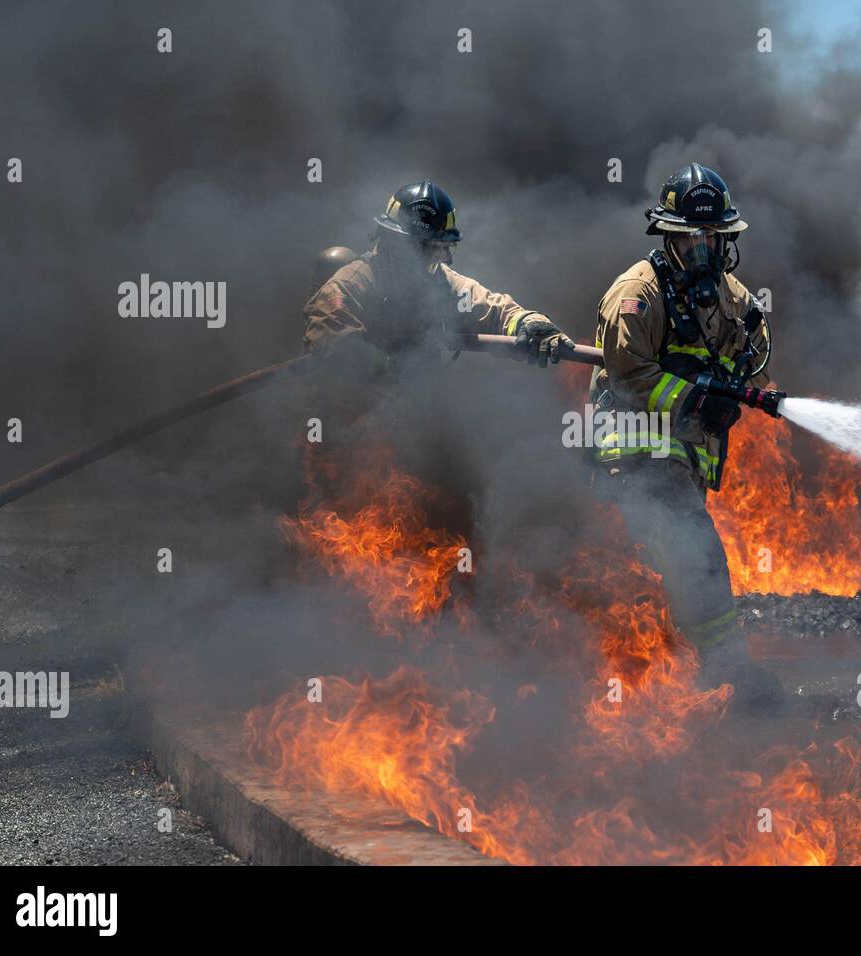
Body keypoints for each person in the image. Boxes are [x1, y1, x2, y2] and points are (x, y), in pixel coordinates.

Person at [589, 163, 783, 711]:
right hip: (631, 445)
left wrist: (743, 385)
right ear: (668, 237)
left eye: (712, 238)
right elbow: (628, 374)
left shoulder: (735, 299)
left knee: (659, 564)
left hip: (685, 453)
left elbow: (757, 363)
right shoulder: (637, 295)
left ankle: (667, 680)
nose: (702, 250)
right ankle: (728, 672)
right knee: (696, 551)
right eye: (689, 239)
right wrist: (700, 398)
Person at [304, 181, 572, 369]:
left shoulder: (440, 283)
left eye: (447, 247)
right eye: (435, 248)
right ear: (402, 245)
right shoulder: (350, 286)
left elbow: (492, 309)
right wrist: (390, 365)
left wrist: (528, 322)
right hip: (352, 426)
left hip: (414, 419)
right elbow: (340, 356)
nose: (446, 258)